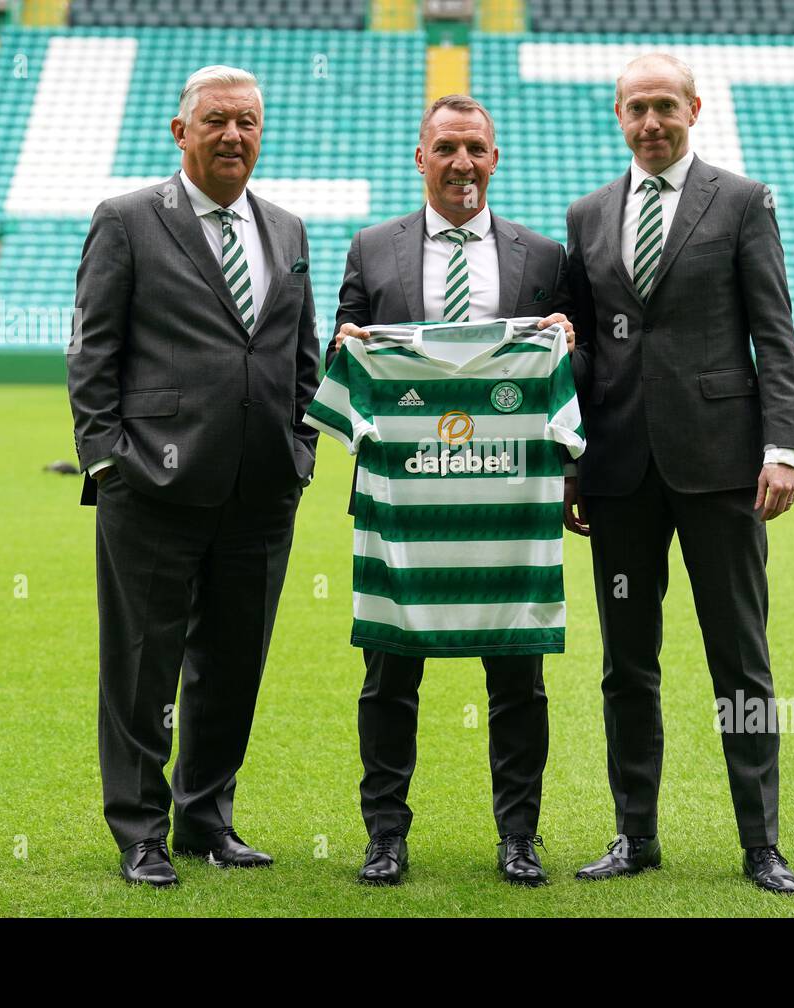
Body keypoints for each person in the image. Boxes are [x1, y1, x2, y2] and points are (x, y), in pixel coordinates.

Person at [67, 65, 318, 887]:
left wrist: (300, 453)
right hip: (153, 488)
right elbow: (91, 351)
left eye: (247, 121)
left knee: (234, 662)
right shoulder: (128, 220)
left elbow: (299, 358)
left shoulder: (287, 230)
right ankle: (140, 831)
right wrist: (109, 460)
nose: (233, 135)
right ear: (181, 132)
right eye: (215, 121)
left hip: (260, 492)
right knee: (143, 666)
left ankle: (207, 819)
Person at [563, 53, 794, 893]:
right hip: (620, 471)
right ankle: (636, 836)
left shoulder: (742, 201)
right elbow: (588, 349)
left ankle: (761, 843)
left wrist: (784, 447)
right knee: (627, 663)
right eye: (636, 108)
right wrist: (572, 458)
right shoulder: (588, 215)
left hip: (721, 468)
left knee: (740, 658)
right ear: (619, 115)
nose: (651, 122)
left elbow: (773, 332)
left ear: (694, 109)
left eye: (665, 106)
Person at [325, 94, 575, 887]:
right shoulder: (371, 247)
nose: (461, 163)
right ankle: (385, 836)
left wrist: (566, 342)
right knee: (390, 671)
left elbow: (574, 374)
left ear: (494, 158)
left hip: (508, 503)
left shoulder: (542, 256)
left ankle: (519, 837)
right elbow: (342, 339)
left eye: (475, 148)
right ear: (420, 158)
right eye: (446, 149)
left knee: (517, 673)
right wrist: (350, 344)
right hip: (404, 499)